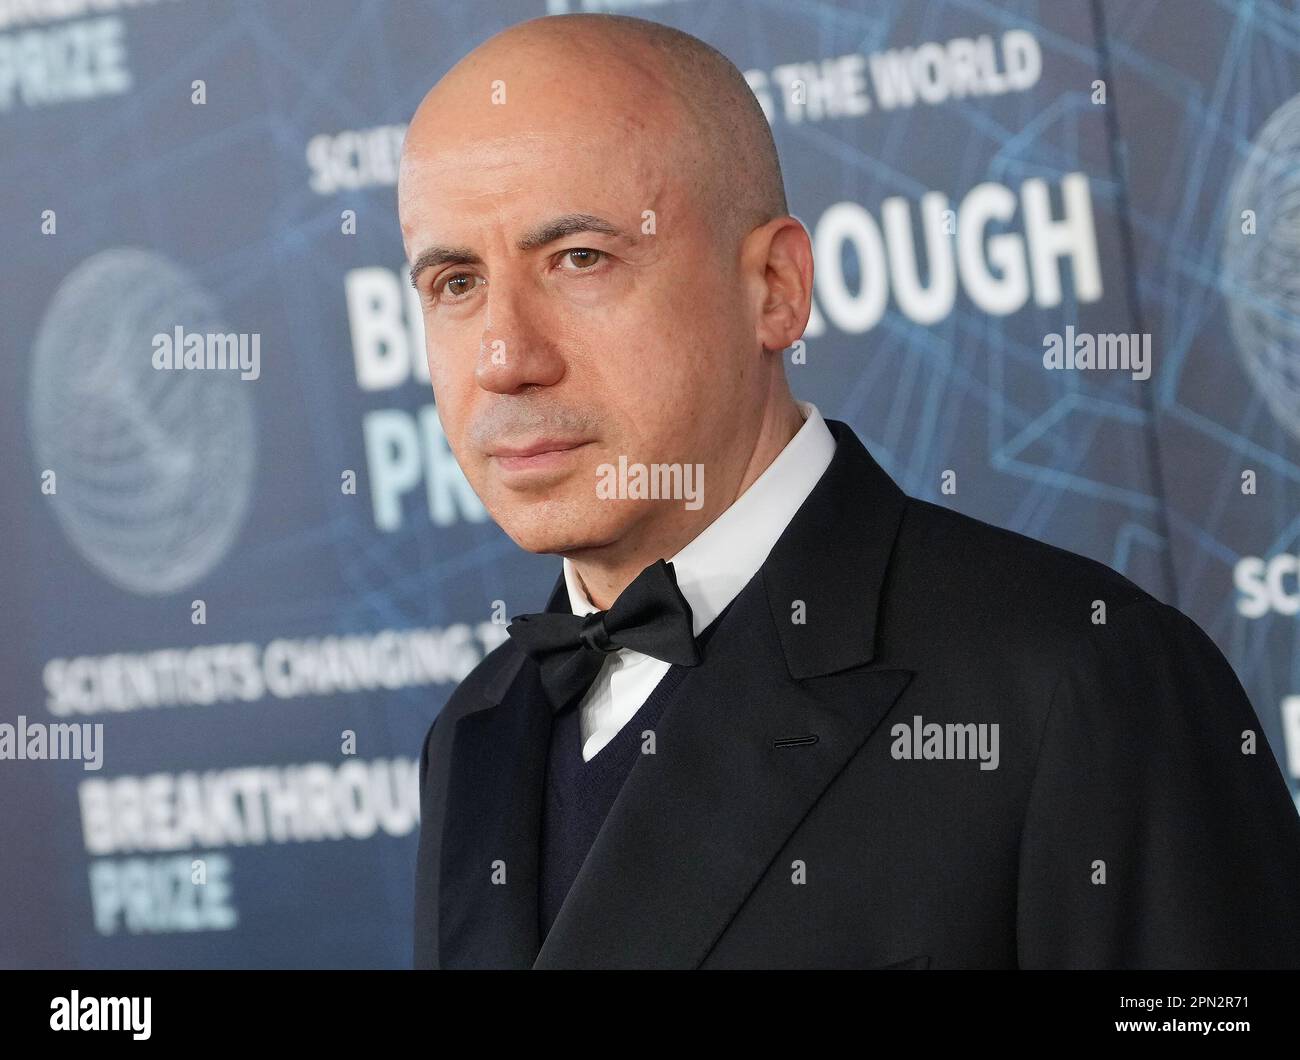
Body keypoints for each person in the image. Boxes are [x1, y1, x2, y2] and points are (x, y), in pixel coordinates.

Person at [398, 13, 1300, 969]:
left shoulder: (1079, 682)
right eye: (455, 283)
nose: (504, 358)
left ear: (776, 288)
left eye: (580, 258)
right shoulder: (475, 731)